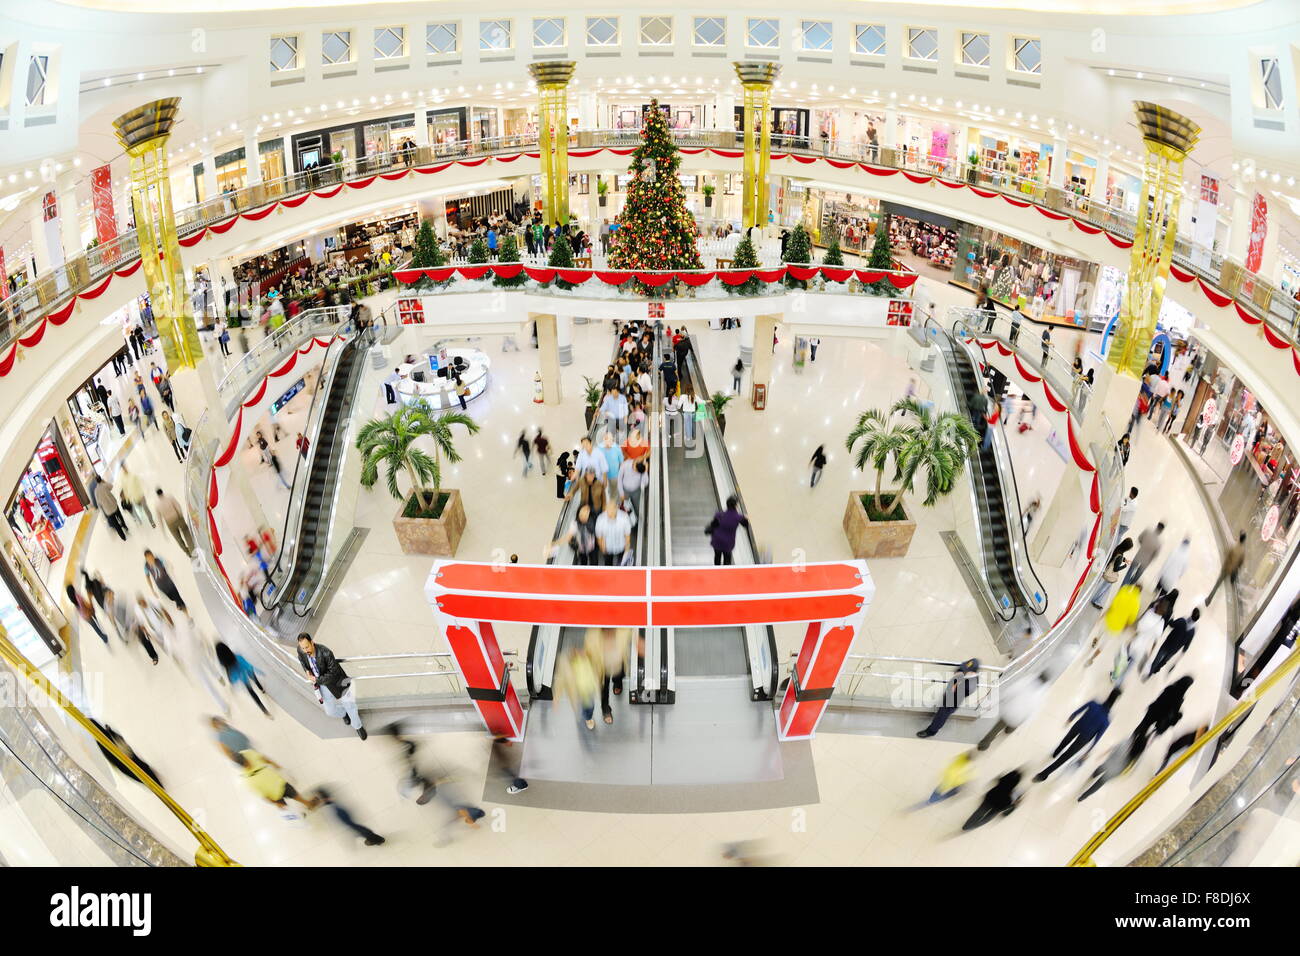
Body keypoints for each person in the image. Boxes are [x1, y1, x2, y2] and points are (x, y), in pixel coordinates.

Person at [1034, 689, 1120, 781]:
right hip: (1084, 739)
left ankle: (1055, 753)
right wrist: (1089, 751)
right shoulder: (1106, 722)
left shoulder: (1093, 704)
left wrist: (1071, 717)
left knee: (1065, 741)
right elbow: (1097, 737)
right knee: (1065, 757)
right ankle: (1042, 775)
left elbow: (1078, 710)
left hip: (1077, 727)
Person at [297, 633, 366, 739]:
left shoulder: (326, 652)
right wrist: (307, 671)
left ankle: (358, 726)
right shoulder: (301, 650)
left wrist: (317, 680)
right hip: (322, 685)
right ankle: (344, 714)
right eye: (303, 648)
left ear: (312, 642)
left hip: (337, 682)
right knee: (330, 711)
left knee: (350, 706)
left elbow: (333, 672)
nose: (305, 650)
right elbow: (301, 660)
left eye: (307, 647)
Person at [977, 671, 1050, 751]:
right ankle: (1008, 730)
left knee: (995, 730)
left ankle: (984, 745)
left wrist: (996, 701)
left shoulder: (1026, 682)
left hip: (1009, 713)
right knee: (1012, 727)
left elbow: (1009, 691)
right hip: (1019, 718)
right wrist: (1025, 726)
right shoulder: (1041, 695)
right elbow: (1033, 714)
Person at [232, 749, 320, 814]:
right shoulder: (248, 781)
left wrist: (276, 766)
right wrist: (275, 803)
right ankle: (296, 817)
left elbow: (263, 758)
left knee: (294, 794)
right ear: (242, 766)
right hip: (274, 796)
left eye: (247, 760)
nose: (249, 763)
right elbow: (264, 796)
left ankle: (309, 804)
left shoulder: (248, 753)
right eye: (246, 764)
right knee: (286, 810)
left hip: (279, 782)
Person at [916, 658, 981, 738]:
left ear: (972, 672)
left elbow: (959, 694)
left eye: (965, 669)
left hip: (953, 700)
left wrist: (953, 688)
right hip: (951, 693)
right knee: (941, 710)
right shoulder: (965, 670)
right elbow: (958, 671)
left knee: (942, 715)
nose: (961, 670)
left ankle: (932, 731)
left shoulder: (971, 685)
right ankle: (938, 715)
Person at [313, 786, 386, 845]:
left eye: (318, 797)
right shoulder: (329, 802)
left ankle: (375, 839)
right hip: (340, 812)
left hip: (341, 813)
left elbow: (328, 802)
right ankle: (373, 837)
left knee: (355, 827)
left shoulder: (330, 802)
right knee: (355, 826)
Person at [587, 626, 631, 725]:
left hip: (618, 661)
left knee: (619, 674)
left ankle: (617, 683)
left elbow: (630, 633)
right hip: (602, 665)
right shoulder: (592, 635)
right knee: (603, 687)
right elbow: (588, 651)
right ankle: (605, 708)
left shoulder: (623, 630)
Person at [215, 641, 271, 716]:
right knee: (254, 679)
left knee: (252, 692)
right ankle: (261, 689)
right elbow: (247, 663)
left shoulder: (227, 667)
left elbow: (231, 678)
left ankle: (265, 711)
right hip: (247, 669)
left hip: (243, 678)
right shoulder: (238, 657)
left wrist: (232, 683)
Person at [554, 644, 600, 731]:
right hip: (578, 693)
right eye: (578, 650)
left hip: (589, 690)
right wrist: (557, 698)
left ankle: (588, 717)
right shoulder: (568, 665)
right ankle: (586, 717)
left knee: (590, 706)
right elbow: (560, 680)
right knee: (583, 707)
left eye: (582, 650)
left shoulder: (589, 658)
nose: (581, 652)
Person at [1147, 609, 1200, 678]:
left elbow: (1172, 625)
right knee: (1165, 660)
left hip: (1168, 643)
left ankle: (1150, 672)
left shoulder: (1182, 621)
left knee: (1158, 658)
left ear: (1192, 613)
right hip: (1174, 650)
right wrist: (1184, 650)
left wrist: (1171, 619)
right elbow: (1187, 643)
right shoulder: (1192, 631)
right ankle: (1157, 669)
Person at [706, 494, 750, 566]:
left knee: (717, 557)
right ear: (736, 505)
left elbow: (713, 525)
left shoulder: (719, 515)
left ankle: (717, 570)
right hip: (728, 544)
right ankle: (725, 573)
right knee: (727, 560)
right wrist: (746, 518)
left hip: (717, 541)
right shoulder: (739, 517)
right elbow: (745, 525)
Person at [1205, 531, 1247, 605]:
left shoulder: (1234, 546)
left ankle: (1208, 600)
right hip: (1232, 570)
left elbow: (1226, 554)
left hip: (1226, 568)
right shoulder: (1243, 551)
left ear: (1240, 537)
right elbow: (1240, 564)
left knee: (1217, 584)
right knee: (1221, 584)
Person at [155, 487, 195, 556]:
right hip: (177, 517)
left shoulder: (157, 505)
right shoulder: (169, 497)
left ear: (157, 495)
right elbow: (177, 506)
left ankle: (187, 552)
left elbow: (159, 519)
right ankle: (192, 550)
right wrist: (181, 515)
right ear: (162, 492)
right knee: (186, 533)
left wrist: (163, 531)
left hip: (170, 523)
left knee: (178, 539)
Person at [1124, 521, 1165, 586]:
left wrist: (1143, 546)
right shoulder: (1159, 543)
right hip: (1146, 562)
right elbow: (1155, 555)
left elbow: (1139, 539)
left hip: (1139, 556)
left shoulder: (1147, 531)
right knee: (1137, 576)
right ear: (1162, 531)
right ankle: (1128, 587)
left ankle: (1123, 586)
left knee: (1129, 572)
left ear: (1157, 526)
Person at [595, 499, 633, 567]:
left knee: (621, 563)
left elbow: (627, 534)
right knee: (608, 564)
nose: (610, 511)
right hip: (608, 548)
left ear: (617, 508)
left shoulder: (624, 517)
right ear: (606, 509)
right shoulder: (600, 519)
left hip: (621, 546)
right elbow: (599, 536)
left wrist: (627, 547)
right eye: (608, 509)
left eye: (612, 509)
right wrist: (602, 548)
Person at [117, 462, 154, 529]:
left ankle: (151, 521)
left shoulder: (132, 474)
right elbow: (125, 489)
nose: (124, 468)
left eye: (125, 466)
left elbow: (141, 480)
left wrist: (146, 488)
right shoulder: (123, 479)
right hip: (134, 498)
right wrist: (127, 499)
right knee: (139, 507)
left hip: (140, 494)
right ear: (121, 469)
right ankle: (140, 508)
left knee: (146, 508)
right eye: (123, 467)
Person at [94, 478, 129, 542]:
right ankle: (125, 527)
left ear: (96, 482)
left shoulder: (96, 491)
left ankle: (123, 537)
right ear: (101, 479)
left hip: (107, 510)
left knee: (116, 524)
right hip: (114, 505)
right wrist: (104, 482)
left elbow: (98, 502)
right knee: (120, 517)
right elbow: (111, 486)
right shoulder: (105, 485)